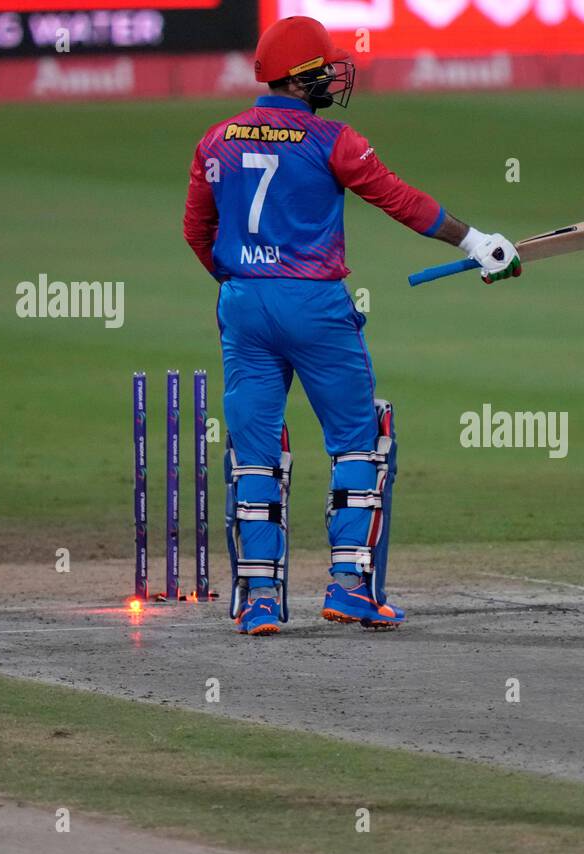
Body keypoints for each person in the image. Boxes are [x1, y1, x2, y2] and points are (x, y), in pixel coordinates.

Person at [183, 16, 520, 635]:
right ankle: (350, 589)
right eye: (324, 67)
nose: (334, 75)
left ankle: (259, 599)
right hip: (316, 307)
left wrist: (239, 285)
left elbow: (196, 232)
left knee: (255, 451)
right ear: (302, 76)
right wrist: (475, 242)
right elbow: (398, 198)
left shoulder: (216, 140)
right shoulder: (332, 139)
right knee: (361, 438)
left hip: (243, 304)